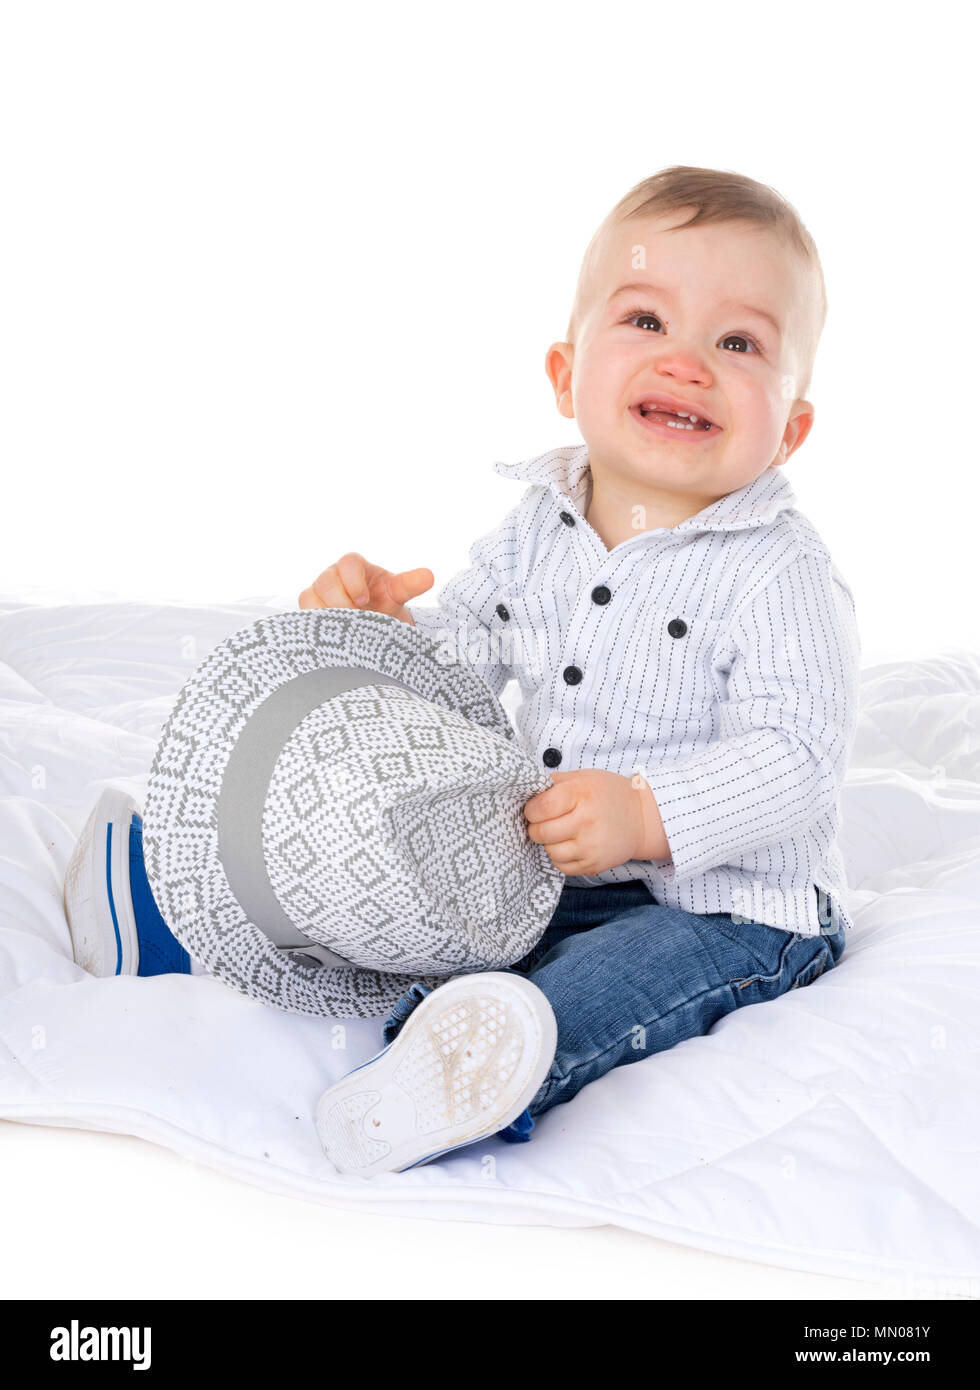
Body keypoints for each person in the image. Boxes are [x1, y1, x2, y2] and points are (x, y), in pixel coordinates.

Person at [67, 165, 860, 1176]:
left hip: (726, 904)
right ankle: (187, 911)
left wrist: (648, 812)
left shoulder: (778, 572)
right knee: (406, 869)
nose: (688, 361)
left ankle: (476, 1067)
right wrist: (383, 633)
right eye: (646, 319)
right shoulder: (539, 528)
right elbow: (461, 675)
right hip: (548, 862)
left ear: (788, 425)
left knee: (614, 975)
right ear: (563, 372)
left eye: (738, 342)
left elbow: (795, 758)